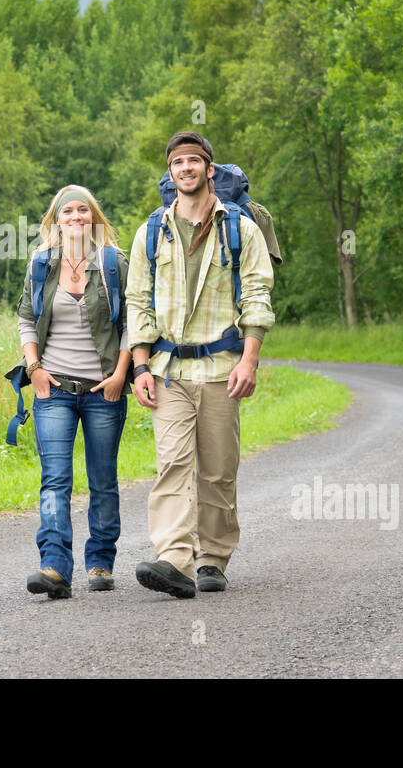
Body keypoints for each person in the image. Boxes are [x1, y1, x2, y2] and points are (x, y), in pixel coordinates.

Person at [125, 132, 275, 598]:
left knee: (217, 469)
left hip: (221, 368)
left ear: (210, 170)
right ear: (170, 173)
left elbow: (256, 297)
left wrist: (249, 361)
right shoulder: (152, 231)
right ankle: (173, 559)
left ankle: (212, 558)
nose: (186, 168)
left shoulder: (240, 229)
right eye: (177, 163)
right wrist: (139, 366)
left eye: (194, 161)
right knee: (172, 464)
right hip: (168, 371)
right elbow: (137, 303)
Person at [12, 185, 132, 599]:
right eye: (68, 212)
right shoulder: (41, 263)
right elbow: (27, 319)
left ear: (94, 218)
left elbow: (133, 324)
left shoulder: (114, 263)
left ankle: (100, 561)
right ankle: (54, 566)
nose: (76, 217)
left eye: (84, 210)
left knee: (102, 480)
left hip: (105, 390)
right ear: (56, 220)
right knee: (55, 479)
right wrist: (35, 369)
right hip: (54, 389)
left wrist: (120, 374)